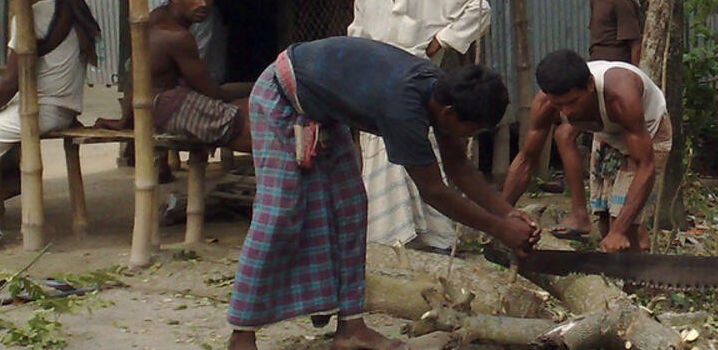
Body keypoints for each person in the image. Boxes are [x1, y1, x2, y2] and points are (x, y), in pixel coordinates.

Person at [226, 36, 538, 350]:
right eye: (472, 129)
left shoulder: (442, 90)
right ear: (448, 114)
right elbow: (434, 191)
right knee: (279, 213)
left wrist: (505, 212)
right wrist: (499, 228)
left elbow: (458, 165)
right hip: (281, 94)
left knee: (350, 208)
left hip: (324, 111)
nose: (470, 137)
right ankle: (242, 334)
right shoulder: (403, 108)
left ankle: (350, 328)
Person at [347, 0, 491, 252]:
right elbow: (359, 30)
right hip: (376, 83)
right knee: (381, 163)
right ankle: (386, 241)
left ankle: (430, 240)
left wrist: (441, 42)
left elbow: (479, 9)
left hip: (418, 83)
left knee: (417, 158)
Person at [0, 0, 101, 246]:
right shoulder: (67, 4)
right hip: (60, 106)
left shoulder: (30, 16)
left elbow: (11, 81)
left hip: (43, 108)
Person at [505, 49, 669, 253]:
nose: (566, 112)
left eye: (572, 102)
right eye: (559, 105)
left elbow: (646, 166)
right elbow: (526, 160)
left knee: (624, 225)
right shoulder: (545, 103)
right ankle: (619, 272)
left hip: (648, 131)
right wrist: (501, 215)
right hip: (607, 130)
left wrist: (619, 231)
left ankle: (641, 277)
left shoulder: (621, 96)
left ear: (590, 85)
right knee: (604, 220)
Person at [95, 0, 250, 151]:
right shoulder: (177, 36)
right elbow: (209, 91)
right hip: (166, 108)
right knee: (251, 116)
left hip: (151, 106)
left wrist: (125, 119)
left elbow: (134, 74)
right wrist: (247, 96)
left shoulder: (156, 17)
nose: (203, 3)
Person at [551, 0, 643, 240]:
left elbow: (634, 46)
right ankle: (585, 215)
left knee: (567, 134)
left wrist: (630, 88)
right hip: (592, 78)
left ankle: (590, 218)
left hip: (612, 84)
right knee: (570, 138)